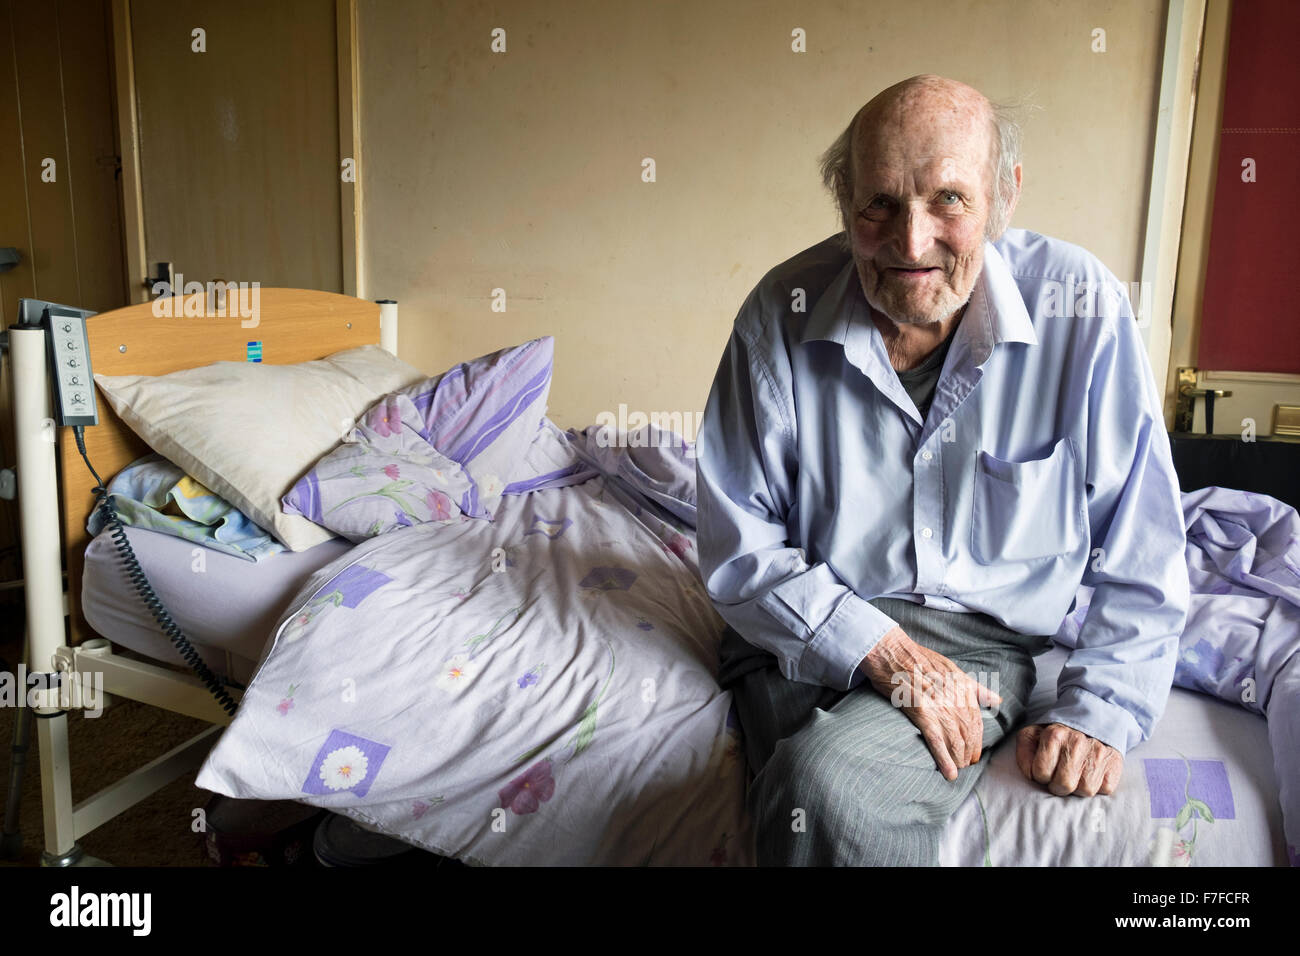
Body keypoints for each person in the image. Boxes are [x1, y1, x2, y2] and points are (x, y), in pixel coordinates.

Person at [694, 74, 1191, 866]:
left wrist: (1102, 707)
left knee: (819, 787)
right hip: (805, 618)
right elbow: (737, 547)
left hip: (977, 643)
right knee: (813, 790)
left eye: (949, 201)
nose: (911, 242)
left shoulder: (1081, 307)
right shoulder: (778, 311)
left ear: (1003, 196)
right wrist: (886, 654)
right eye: (879, 205)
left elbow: (1145, 544)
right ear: (844, 203)